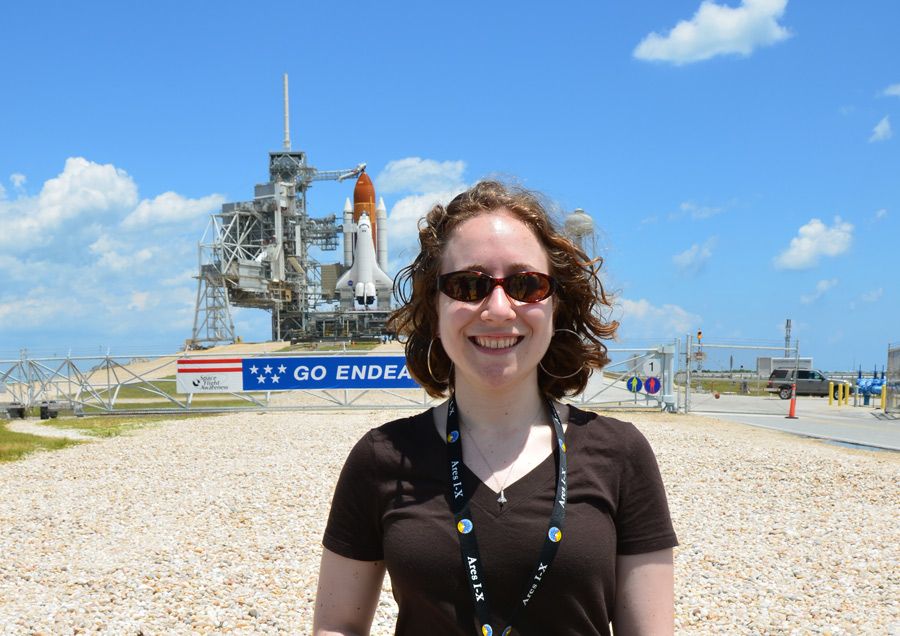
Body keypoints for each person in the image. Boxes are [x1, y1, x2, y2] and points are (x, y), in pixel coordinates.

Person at [314, 181, 677, 636]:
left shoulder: (621, 455)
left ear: (556, 303)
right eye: (469, 285)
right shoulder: (382, 457)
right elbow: (338, 624)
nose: (499, 309)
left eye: (527, 284)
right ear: (435, 304)